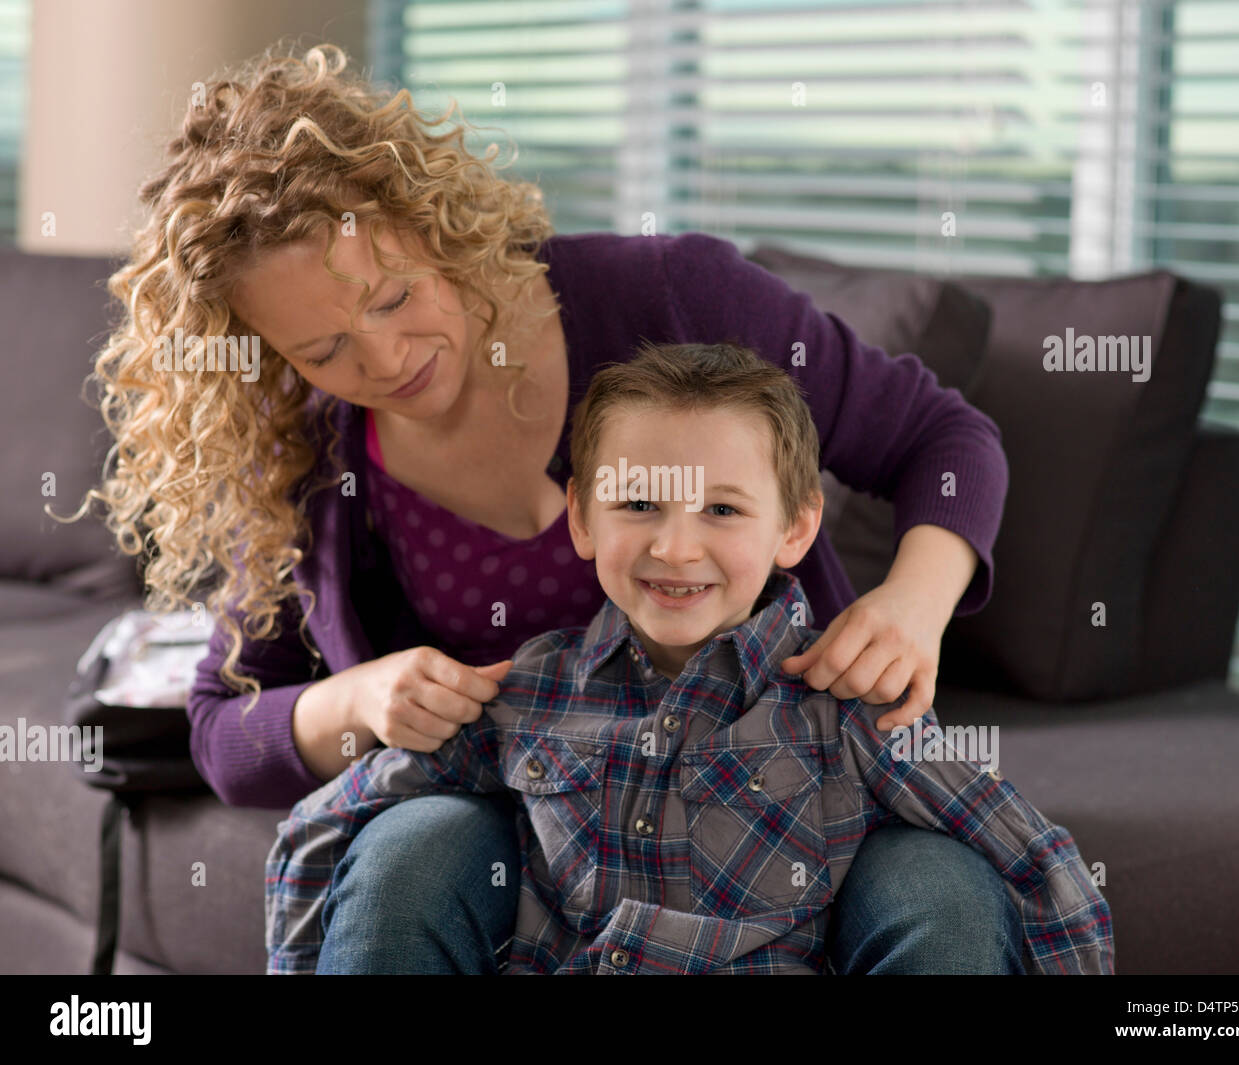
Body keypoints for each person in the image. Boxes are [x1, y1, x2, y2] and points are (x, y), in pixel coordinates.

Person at [78, 41, 1015, 973]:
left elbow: (945, 442)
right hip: (517, 841)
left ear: (431, 218)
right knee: (406, 856)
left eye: (396, 295)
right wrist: (355, 700)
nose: (384, 359)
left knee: (943, 900)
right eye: (323, 349)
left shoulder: (671, 294)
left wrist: (912, 606)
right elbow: (221, 733)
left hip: (791, 787)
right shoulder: (307, 456)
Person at [267, 342, 1112, 975]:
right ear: (582, 520)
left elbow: (1033, 861)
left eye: (721, 509)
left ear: (795, 529)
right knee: (401, 843)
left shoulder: (851, 707)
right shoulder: (527, 691)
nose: (676, 547)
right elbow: (327, 829)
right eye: (637, 502)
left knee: (947, 885)